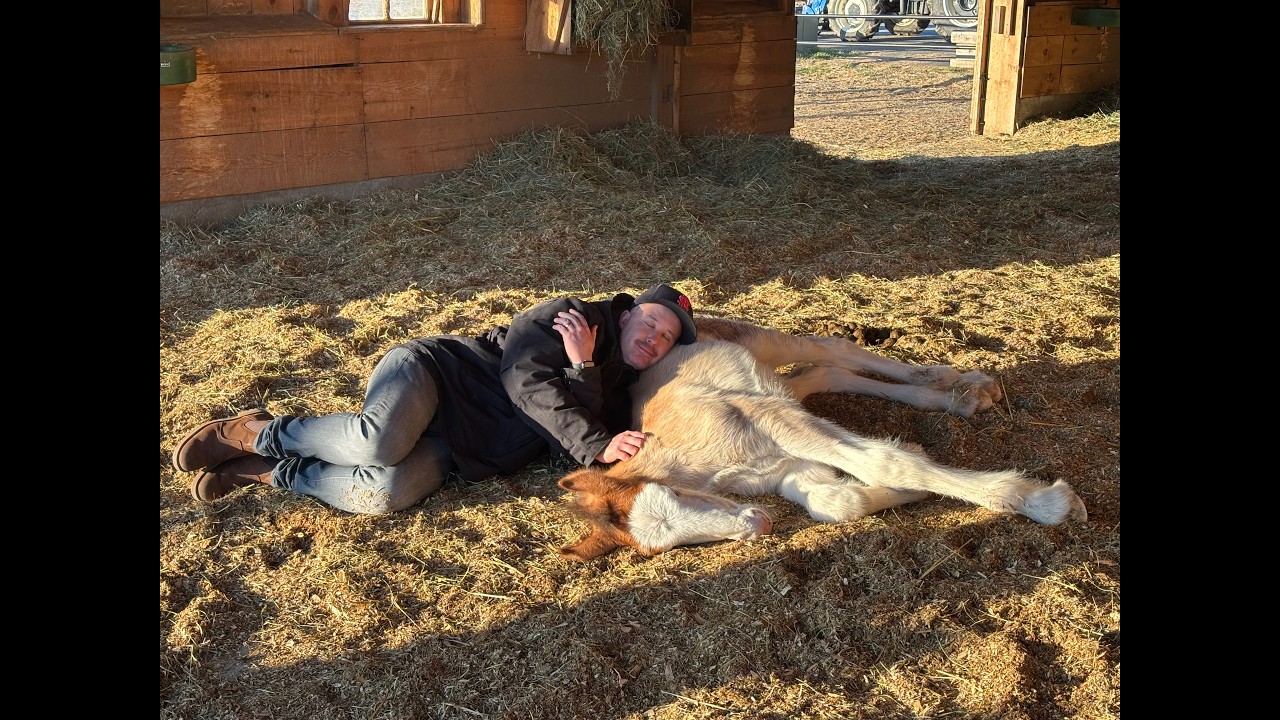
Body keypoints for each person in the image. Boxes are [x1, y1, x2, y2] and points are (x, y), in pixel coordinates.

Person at [170, 284, 698, 514]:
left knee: (386, 492)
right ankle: (254, 432)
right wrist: (590, 422)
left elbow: (567, 452)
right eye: (651, 321)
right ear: (627, 314)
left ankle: (266, 471)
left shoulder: (618, 392)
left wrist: (583, 369)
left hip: (463, 447)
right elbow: (524, 383)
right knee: (377, 441)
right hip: (434, 378)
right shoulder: (565, 316)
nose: (654, 338)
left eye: (667, 338)